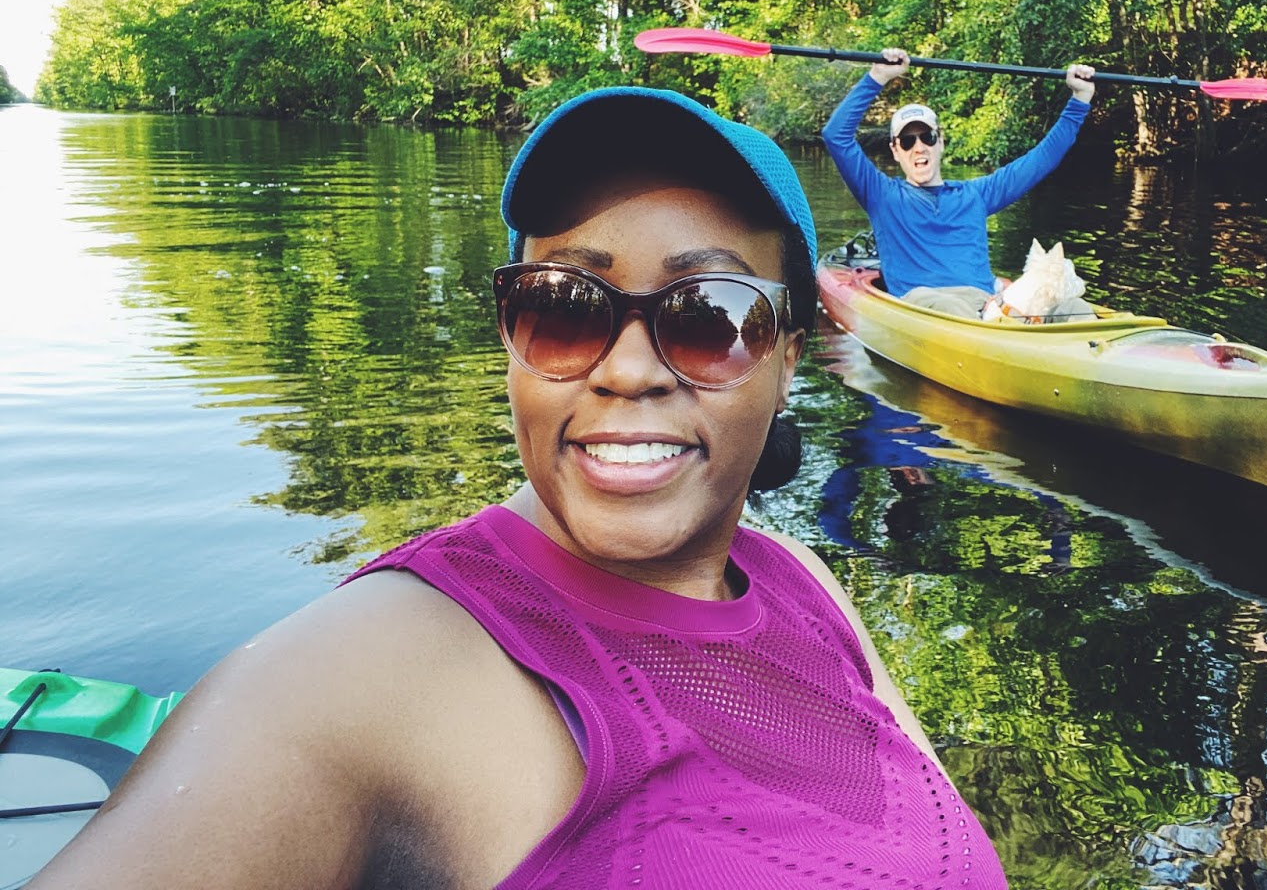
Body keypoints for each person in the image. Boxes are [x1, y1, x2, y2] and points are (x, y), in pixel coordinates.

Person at [32, 85, 1007, 890]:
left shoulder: (806, 584)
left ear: (788, 356)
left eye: (709, 314)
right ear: (511, 336)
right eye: (564, 306)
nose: (626, 370)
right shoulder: (371, 671)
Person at [821, 48, 1096, 316]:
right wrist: (878, 76)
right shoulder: (881, 195)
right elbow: (836, 136)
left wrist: (1079, 100)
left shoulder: (977, 194)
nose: (918, 148)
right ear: (895, 151)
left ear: (940, 142)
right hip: (923, 305)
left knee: (1074, 308)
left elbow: (1042, 158)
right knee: (946, 305)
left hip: (985, 306)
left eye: (926, 137)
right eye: (907, 141)